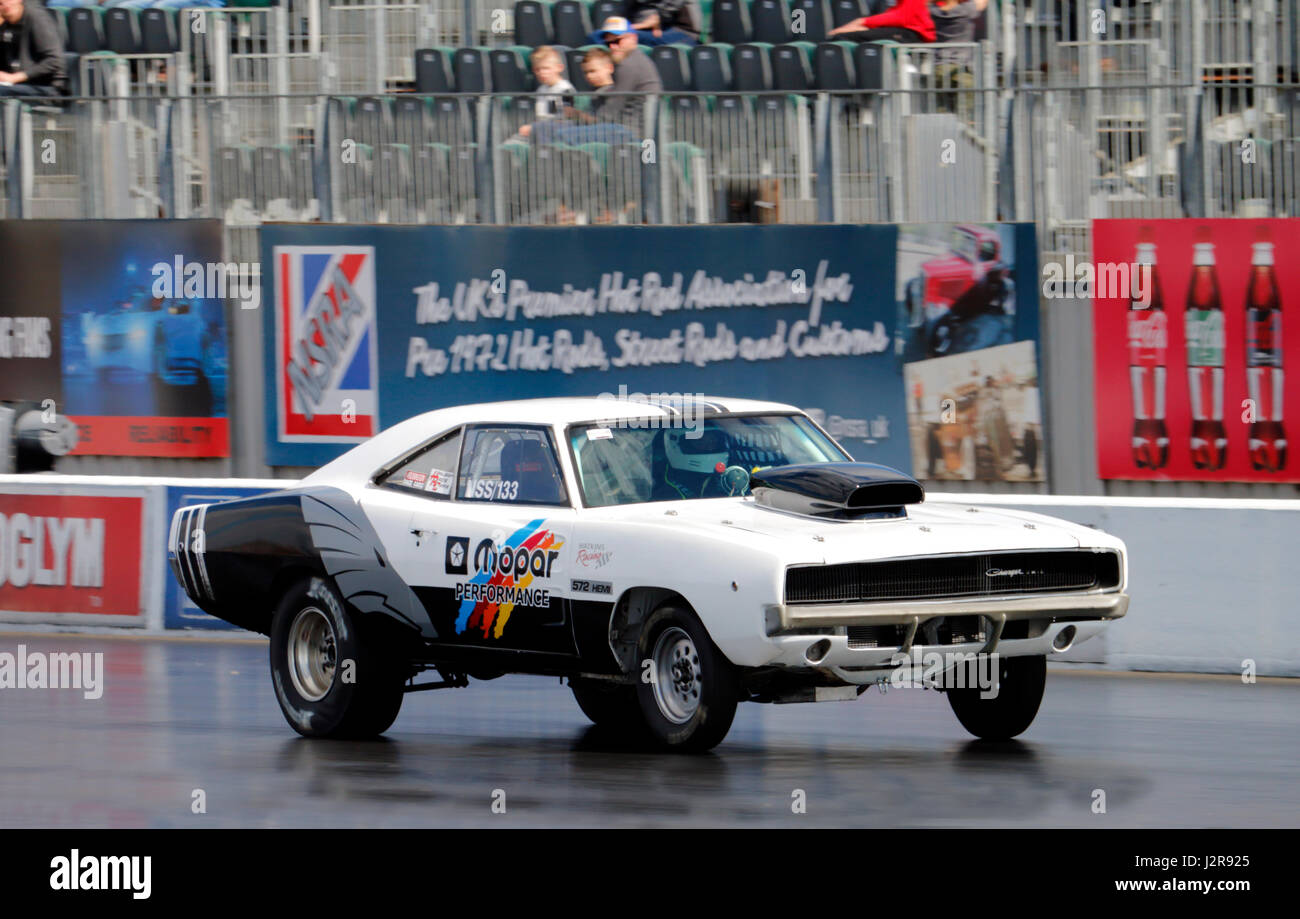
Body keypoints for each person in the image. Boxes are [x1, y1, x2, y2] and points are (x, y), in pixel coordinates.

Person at [532, 21, 661, 145]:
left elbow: (607, 116)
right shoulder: (637, 60)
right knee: (549, 130)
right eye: (608, 43)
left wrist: (578, 115)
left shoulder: (629, 65)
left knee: (562, 135)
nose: (612, 46)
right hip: (626, 129)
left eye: (617, 40)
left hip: (632, 133)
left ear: (633, 38)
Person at [0, 0, 67, 98]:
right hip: (18, 86)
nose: (5, 3)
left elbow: (55, 61)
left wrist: (15, 77)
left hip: (48, 89)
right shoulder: (6, 24)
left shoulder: (36, 17)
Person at [516, 46, 575, 140]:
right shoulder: (541, 89)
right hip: (541, 130)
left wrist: (534, 127)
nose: (541, 72)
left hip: (558, 132)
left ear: (559, 67)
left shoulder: (565, 89)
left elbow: (563, 120)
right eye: (537, 69)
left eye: (546, 68)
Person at [588, 1, 701, 47]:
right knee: (596, 37)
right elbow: (623, 14)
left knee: (616, 39)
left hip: (682, 32)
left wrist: (655, 20)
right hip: (647, 31)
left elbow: (662, 15)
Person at [826, 0, 936, 43]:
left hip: (911, 34)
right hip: (904, 31)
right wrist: (865, 25)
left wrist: (863, 22)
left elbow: (902, 16)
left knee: (842, 37)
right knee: (842, 36)